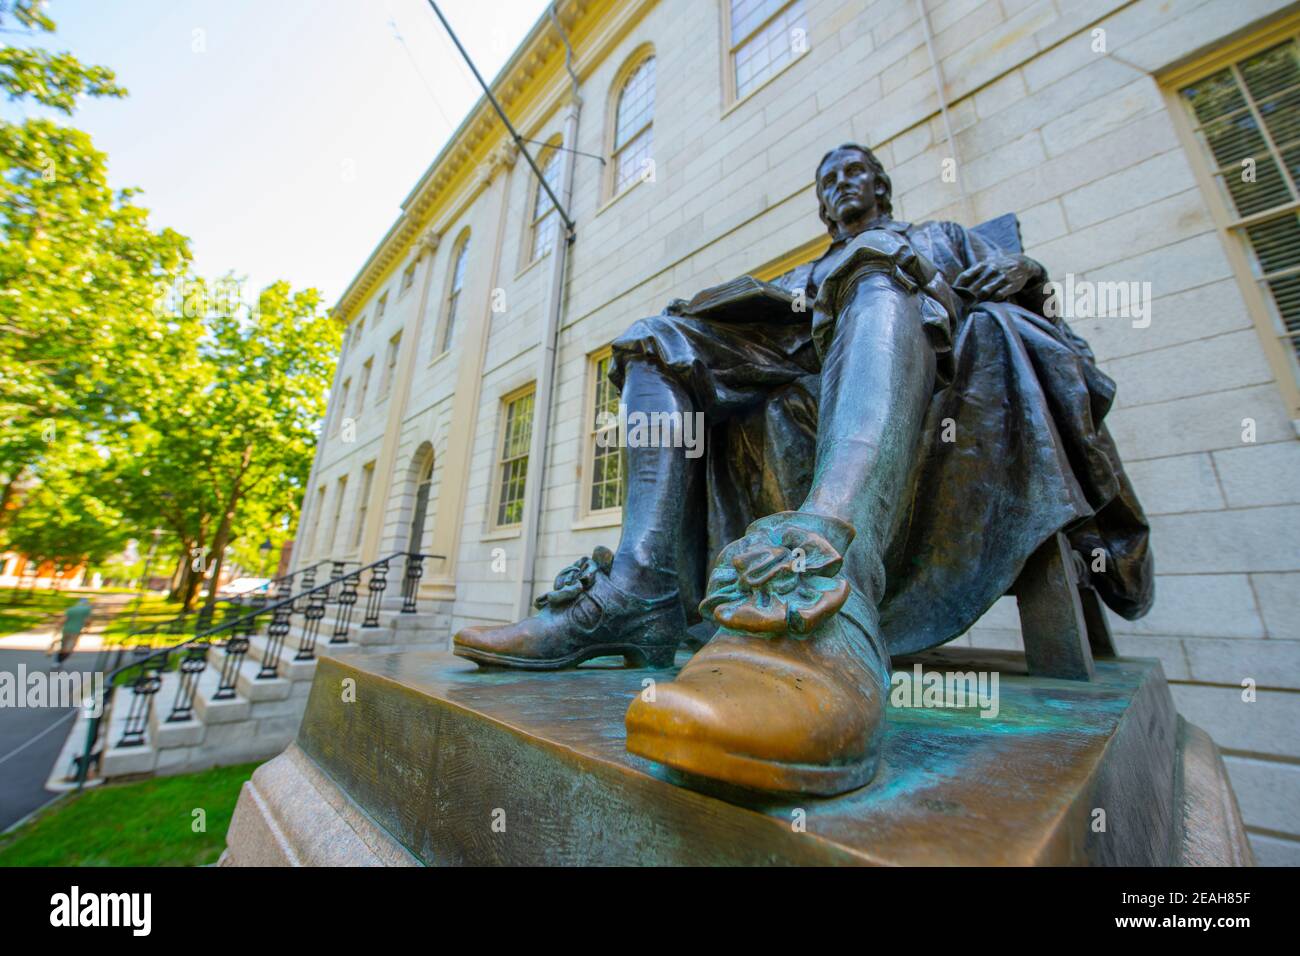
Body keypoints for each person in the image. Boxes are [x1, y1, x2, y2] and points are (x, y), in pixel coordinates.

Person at [454, 142, 1153, 795]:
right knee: (652, 340)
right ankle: (640, 590)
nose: (841, 184)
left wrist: (1026, 279)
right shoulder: (803, 274)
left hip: (930, 371)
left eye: (854, 171)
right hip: (801, 361)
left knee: (876, 266)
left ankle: (830, 577)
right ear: (822, 207)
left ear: (880, 184)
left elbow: (1053, 331)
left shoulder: (944, 236)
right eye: (828, 182)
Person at [54, 597, 93, 666]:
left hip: (66, 630)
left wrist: (57, 628)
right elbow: (88, 620)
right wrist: (87, 628)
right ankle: (60, 661)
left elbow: (63, 619)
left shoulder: (71, 609)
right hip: (76, 631)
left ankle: (57, 661)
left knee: (63, 646)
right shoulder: (87, 609)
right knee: (71, 647)